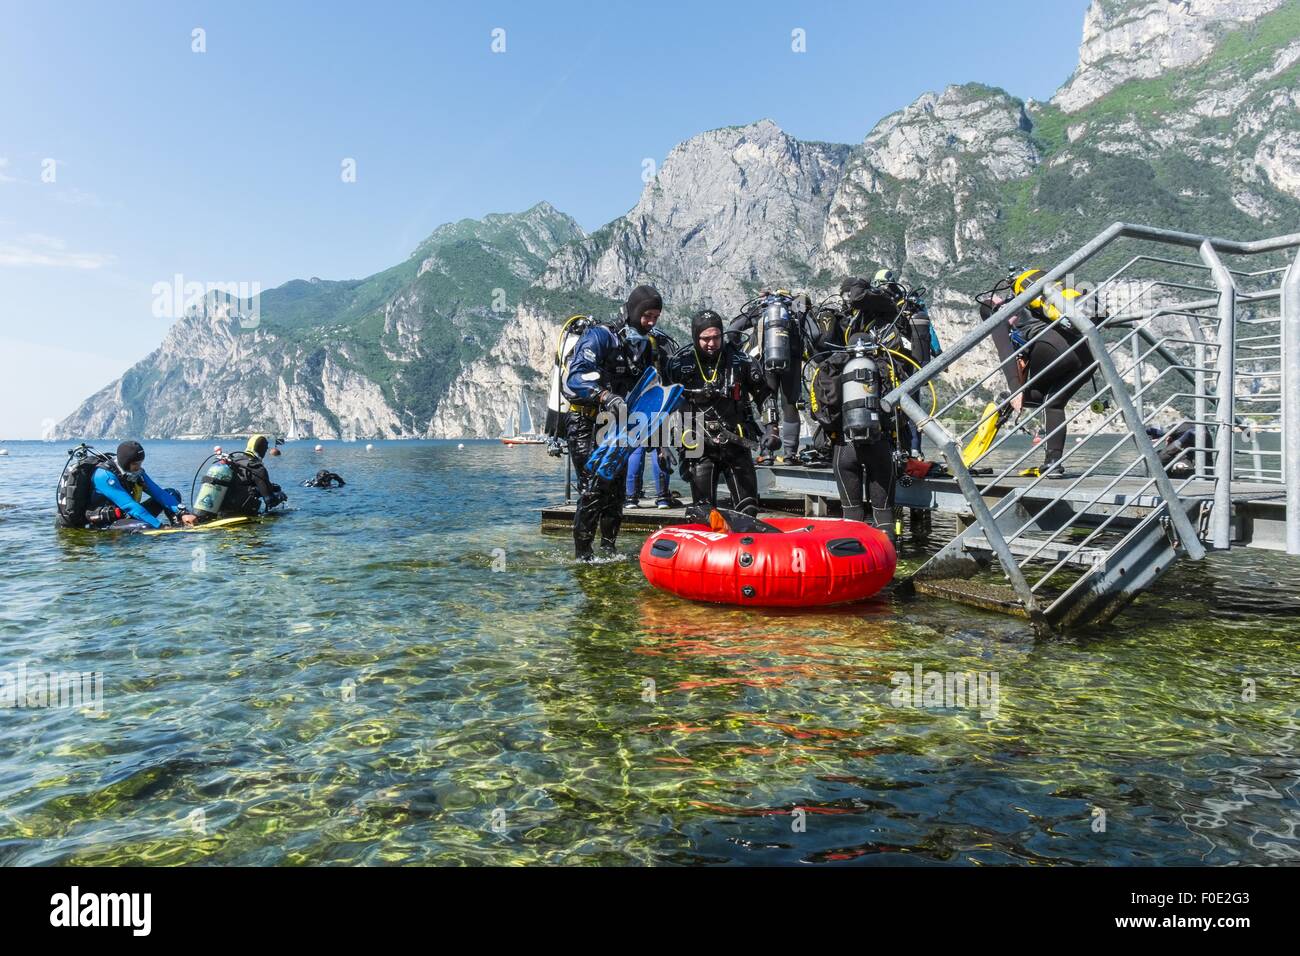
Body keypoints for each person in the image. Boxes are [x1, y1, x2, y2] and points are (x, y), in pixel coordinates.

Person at [563, 285, 674, 560]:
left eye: (655, 317)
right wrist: (604, 395)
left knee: (616, 492)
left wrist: (660, 442)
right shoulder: (601, 337)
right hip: (585, 422)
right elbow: (574, 378)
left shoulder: (646, 346)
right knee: (594, 489)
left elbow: (649, 397)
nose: (651, 322)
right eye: (647, 315)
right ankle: (583, 557)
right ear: (634, 311)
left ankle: (609, 551)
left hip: (619, 426)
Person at [985, 269, 1097, 478]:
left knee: (1028, 397)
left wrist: (1014, 388)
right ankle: (1053, 463)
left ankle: (1003, 410)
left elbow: (1005, 351)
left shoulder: (998, 311)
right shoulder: (1041, 301)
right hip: (1089, 353)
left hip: (1053, 348)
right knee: (1053, 402)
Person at [666, 309, 770, 520]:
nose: (711, 343)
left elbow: (765, 396)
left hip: (736, 440)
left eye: (716, 337)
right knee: (703, 513)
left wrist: (772, 428)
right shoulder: (678, 365)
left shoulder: (742, 362)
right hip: (698, 446)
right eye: (705, 339)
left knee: (748, 509)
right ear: (695, 337)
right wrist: (663, 446)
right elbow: (665, 406)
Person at [809, 327, 899, 544]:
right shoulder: (884, 366)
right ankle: (890, 562)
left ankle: (852, 564)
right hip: (879, 445)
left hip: (844, 446)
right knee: (883, 514)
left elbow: (816, 409)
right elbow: (900, 406)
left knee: (851, 514)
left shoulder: (832, 367)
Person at [725, 290, 818, 462]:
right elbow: (815, 334)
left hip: (765, 361)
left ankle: (767, 453)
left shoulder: (761, 309)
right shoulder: (795, 308)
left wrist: (741, 350)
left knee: (767, 403)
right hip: (792, 362)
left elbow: (732, 329)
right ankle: (790, 455)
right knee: (790, 406)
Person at [82, 441, 196, 529]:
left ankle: (180, 525)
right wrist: (159, 526)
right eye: (135, 464)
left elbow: (159, 494)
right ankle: (168, 533)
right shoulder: (104, 476)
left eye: (140, 463)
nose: (139, 467)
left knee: (171, 493)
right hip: (108, 523)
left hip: (129, 515)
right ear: (125, 462)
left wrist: (183, 513)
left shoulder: (136, 472)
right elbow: (130, 506)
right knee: (145, 527)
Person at [219, 434, 288, 515]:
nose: (266, 451)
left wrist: (269, 488)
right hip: (240, 516)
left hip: (220, 512)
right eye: (265, 448)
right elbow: (270, 501)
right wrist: (281, 496)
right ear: (261, 449)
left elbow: (242, 486)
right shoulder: (257, 468)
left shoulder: (234, 461)